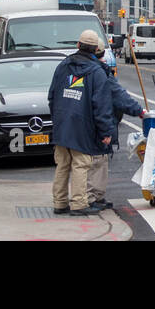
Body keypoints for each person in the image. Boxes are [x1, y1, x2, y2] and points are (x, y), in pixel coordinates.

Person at [47, 30, 116, 216]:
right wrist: (106, 132)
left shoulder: (63, 66)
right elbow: (101, 106)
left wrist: (57, 120)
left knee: (62, 164)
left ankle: (60, 203)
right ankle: (78, 203)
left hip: (62, 123)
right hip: (82, 125)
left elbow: (52, 96)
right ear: (95, 49)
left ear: (78, 45)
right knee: (81, 164)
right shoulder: (97, 72)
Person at [87, 35, 145, 212]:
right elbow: (118, 96)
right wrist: (140, 112)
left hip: (76, 123)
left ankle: (86, 198)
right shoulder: (99, 72)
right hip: (97, 124)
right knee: (97, 161)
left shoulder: (71, 66)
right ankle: (93, 198)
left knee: (80, 164)